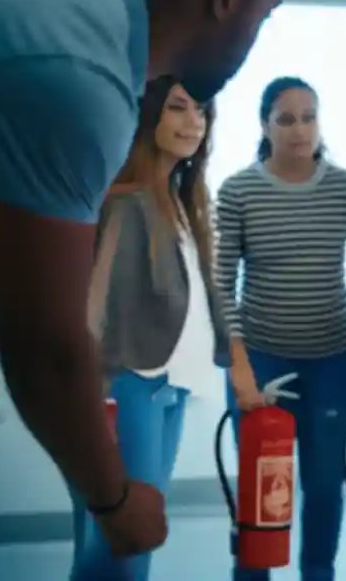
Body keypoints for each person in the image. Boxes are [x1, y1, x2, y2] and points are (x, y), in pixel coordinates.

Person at [0, 0, 285, 580]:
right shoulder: (81, 77)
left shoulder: (54, 10)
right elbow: (42, 340)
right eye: (265, 14)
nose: (256, 37)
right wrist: (114, 500)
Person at [71, 77, 230, 580]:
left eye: (201, 112)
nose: (193, 123)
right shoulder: (126, 201)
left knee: (119, 544)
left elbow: (206, 297)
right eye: (178, 109)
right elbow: (95, 306)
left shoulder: (182, 201)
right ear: (150, 118)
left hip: (170, 388)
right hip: (127, 386)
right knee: (125, 547)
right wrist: (95, 401)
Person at [215, 77, 346, 581]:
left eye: (309, 116)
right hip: (261, 360)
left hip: (331, 361)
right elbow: (221, 284)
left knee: (323, 485)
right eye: (286, 118)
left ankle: (317, 573)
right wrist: (239, 369)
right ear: (265, 125)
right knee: (261, 487)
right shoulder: (238, 190)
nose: (300, 128)